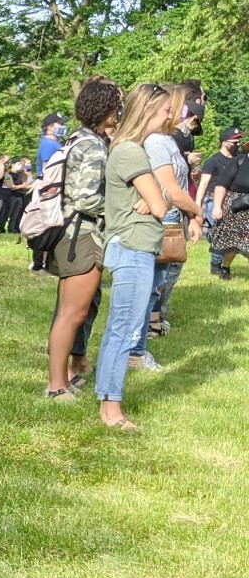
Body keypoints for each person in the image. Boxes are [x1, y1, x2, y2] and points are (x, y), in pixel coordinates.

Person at [95, 83, 177, 431]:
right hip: (131, 247)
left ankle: (111, 402)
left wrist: (156, 200)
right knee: (123, 331)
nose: (170, 115)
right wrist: (157, 199)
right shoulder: (130, 151)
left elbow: (159, 203)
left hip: (138, 247)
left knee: (125, 328)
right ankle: (110, 410)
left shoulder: (131, 150)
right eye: (164, 110)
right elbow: (163, 203)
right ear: (146, 111)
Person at [44, 80, 121, 402]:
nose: (120, 111)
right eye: (117, 105)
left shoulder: (80, 139)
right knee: (72, 314)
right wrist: (121, 208)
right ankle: (55, 385)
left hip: (73, 235)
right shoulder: (92, 146)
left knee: (70, 311)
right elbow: (87, 199)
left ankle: (64, 377)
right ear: (103, 109)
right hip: (83, 237)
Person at [130, 85, 201, 361]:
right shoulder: (156, 142)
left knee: (158, 280)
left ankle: (145, 336)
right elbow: (170, 189)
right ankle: (139, 344)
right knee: (152, 283)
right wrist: (197, 213)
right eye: (173, 109)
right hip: (163, 215)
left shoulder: (167, 139)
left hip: (171, 212)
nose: (178, 114)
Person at [198, 126, 243, 279]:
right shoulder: (213, 161)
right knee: (218, 232)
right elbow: (203, 184)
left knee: (230, 233)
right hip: (212, 198)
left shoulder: (240, 160)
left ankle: (222, 264)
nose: (238, 143)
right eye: (235, 141)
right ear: (225, 142)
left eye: (239, 140)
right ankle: (216, 265)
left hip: (231, 199)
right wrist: (197, 206)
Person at [28, 113, 68, 271]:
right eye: (59, 124)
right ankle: (39, 263)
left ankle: (48, 262)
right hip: (49, 187)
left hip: (54, 187)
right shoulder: (48, 144)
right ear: (50, 127)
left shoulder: (55, 143)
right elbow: (47, 168)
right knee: (45, 225)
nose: (62, 127)